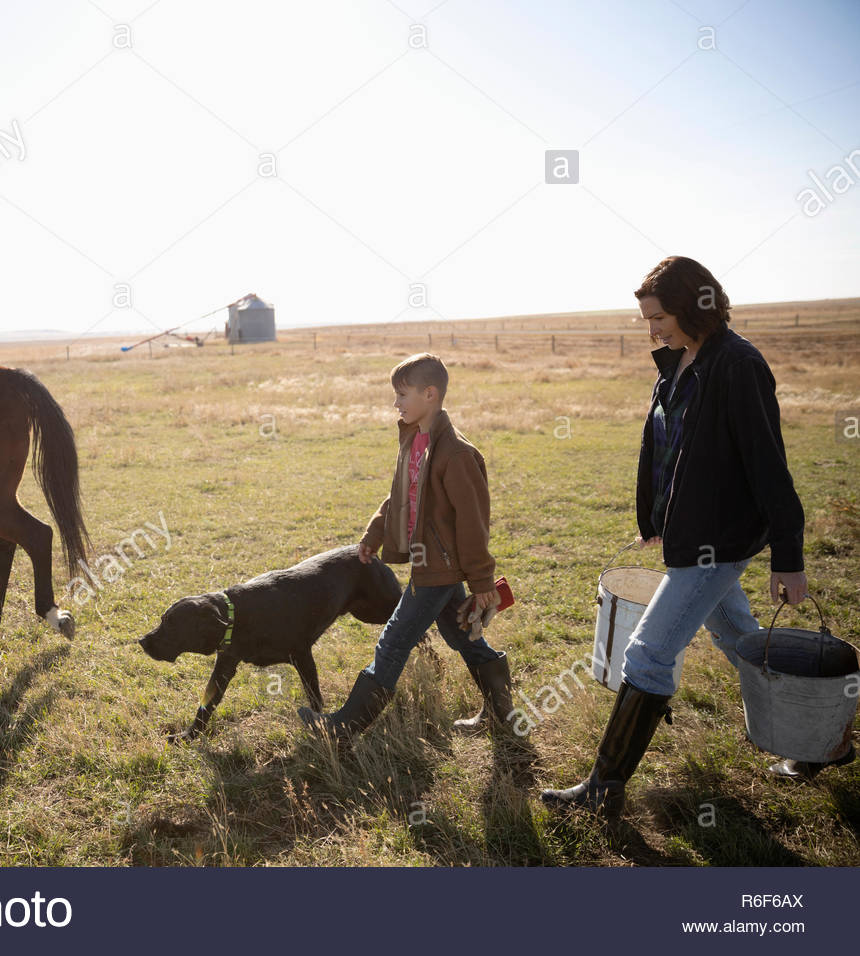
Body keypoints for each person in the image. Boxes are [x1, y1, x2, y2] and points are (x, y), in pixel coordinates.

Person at [541, 255, 851, 818]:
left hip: (719, 541)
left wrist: (790, 556)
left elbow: (769, 466)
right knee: (742, 643)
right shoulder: (681, 362)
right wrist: (657, 520)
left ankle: (602, 791)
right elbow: (672, 450)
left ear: (691, 305)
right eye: (645, 319)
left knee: (648, 654)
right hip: (692, 537)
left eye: (657, 316)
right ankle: (819, 743)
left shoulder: (738, 365)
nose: (650, 328)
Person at [298, 351, 520, 743]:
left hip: (440, 567)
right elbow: (400, 495)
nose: (395, 403)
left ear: (430, 394)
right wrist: (374, 534)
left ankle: (346, 727)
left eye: (402, 395)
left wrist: (483, 580)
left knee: (394, 639)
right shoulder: (414, 439)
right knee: (460, 634)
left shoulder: (457, 454)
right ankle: (503, 714)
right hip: (429, 562)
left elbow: (473, 523)